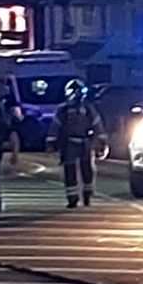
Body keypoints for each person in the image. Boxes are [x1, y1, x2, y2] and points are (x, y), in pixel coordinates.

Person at [47, 79, 109, 209]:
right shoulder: (63, 110)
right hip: (70, 143)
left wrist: (102, 140)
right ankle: (73, 197)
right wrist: (51, 142)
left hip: (84, 142)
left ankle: (86, 194)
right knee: (71, 170)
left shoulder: (87, 109)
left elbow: (97, 124)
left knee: (87, 170)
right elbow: (55, 126)